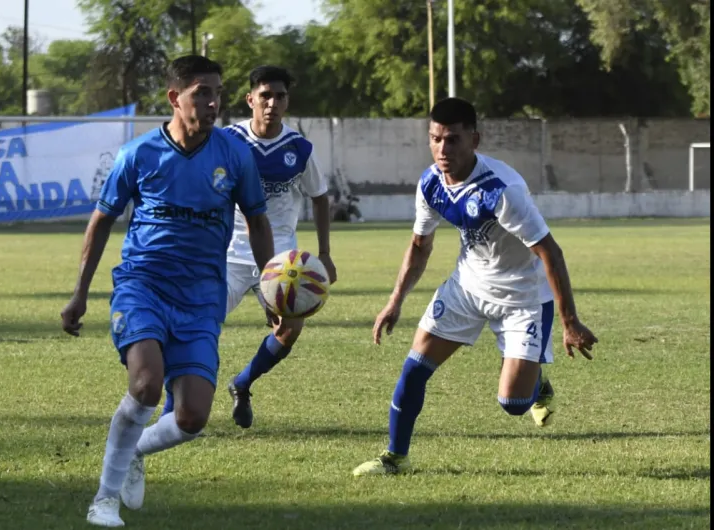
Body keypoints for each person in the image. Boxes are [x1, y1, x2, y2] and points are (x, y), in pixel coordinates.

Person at [60, 55, 275, 527]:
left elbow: (258, 221)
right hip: (144, 285)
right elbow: (100, 222)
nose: (214, 102)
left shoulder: (235, 154)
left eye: (217, 91)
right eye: (202, 92)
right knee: (146, 384)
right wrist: (80, 294)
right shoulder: (138, 154)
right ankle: (104, 499)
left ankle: (133, 450)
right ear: (175, 98)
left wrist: (271, 290)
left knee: (193, 417)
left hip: (201, 296)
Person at [351, 97, 598, 477]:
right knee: (414, 369)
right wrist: (394, 301)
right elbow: (420, 246)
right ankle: (395, 457)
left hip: (523, 297)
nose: (442, 149)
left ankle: (537, 382)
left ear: (474, 139)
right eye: (435, 139)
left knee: (513, 403)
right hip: (467, 287)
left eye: (452, 140)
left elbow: (551, 252)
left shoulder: (502, 190)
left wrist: (569, 321)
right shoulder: (431, 182)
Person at [158, 65, 337, 431]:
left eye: (280, 96)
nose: (272, 103)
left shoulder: (299, 149)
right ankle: (171, 406)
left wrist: (325, 252)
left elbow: (320, 198)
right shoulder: (225, 140)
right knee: (194, 328)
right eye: (265, 95)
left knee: (290, 331)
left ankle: (242, 383)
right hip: (227, 255)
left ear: (288, 101)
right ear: (250, 98)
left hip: (282, 261)